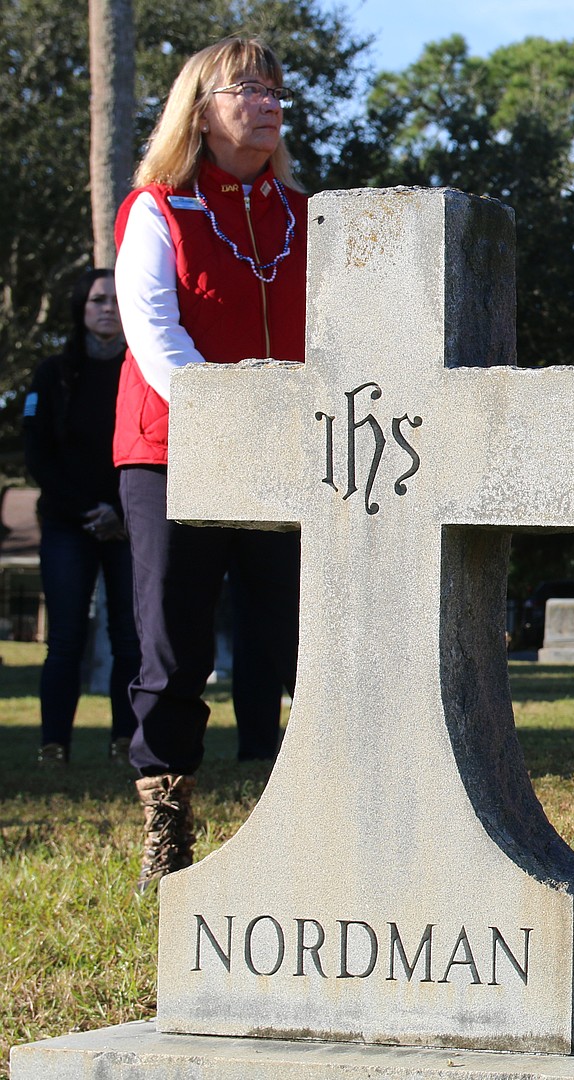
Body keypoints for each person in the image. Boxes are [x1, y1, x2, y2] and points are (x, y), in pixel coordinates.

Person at [114, 35, 305, 889]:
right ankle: (167, 819)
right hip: (172, 454)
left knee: (294, 638)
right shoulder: (156, 207)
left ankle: (301, 813)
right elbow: (155, 333)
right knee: (173, 648)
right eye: (244, 89)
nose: (264, 103)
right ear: (201, 109)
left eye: (272, 90)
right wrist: (229, 420)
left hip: (293, 458)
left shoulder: (310, 214)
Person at [23, 269, 140, 768]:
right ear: (81, 308)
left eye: (116, 299)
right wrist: (86, 511)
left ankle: (125, 743)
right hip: (70, 524)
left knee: (129, 638)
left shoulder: (142, 368)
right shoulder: (53, 373)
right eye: (97, 300)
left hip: (128, 522)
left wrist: (119, 510)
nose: (107, 308)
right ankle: (55, 746)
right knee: (65, 638)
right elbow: (38, 457)